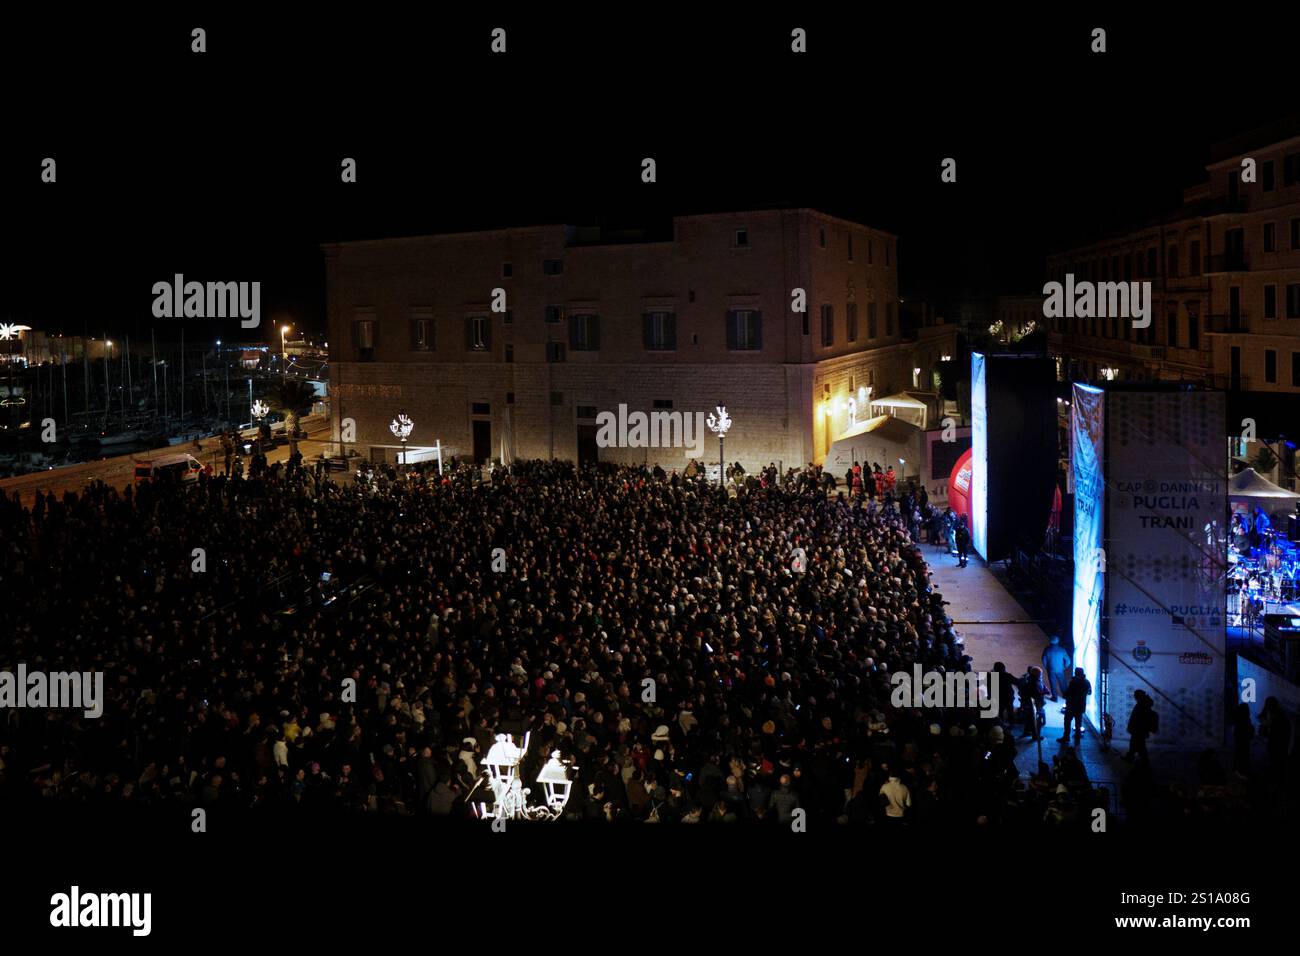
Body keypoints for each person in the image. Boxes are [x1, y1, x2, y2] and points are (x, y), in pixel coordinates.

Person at [1124, 690, 1157, 762]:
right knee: (1138, 745)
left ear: (1138, 696)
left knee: (1138, 745)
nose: (1134, 697)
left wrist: (1132, 728)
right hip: (1139, 730)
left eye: (1135, 695)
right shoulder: (1143, 704)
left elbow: (1138, 719)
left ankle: (1139, 759)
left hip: (1138, 730)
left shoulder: (1142, 705)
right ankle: (1133, 757)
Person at [1060, 667, 1090, 743]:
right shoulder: (1087, 682)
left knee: (1067, 721)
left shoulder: (1074, 681)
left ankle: (1066, 737)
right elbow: (1089, 692)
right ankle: (1078, 736)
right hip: (1081, 705)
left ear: (1076, 673)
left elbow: (1069, 692)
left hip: (1072, 705)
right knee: (1078, 722)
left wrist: (1065, 695)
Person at [1041, 636, 1071, 701]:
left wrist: (1047, 667)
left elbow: (1043, 660)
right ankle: (1065, 695)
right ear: (1058, 642)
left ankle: (1055, 697)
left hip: (1051, 669)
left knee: (1052, 683)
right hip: (1060, 669)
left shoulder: (1047, 649)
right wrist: (1064, 667)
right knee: (1062, 683)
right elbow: (1068, 661)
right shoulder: (1062, 650)